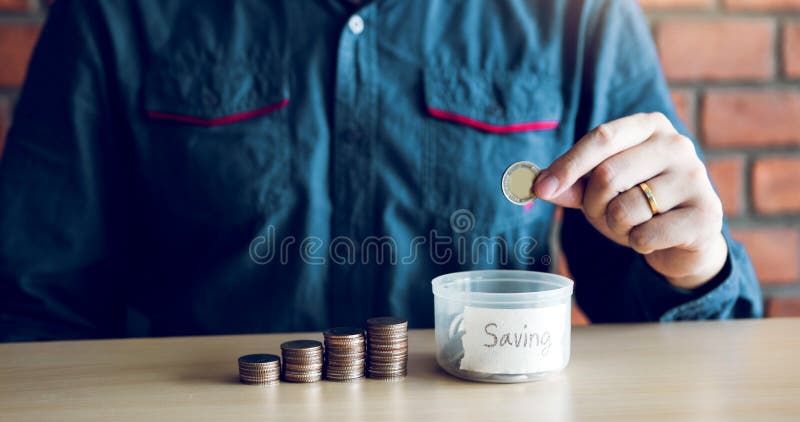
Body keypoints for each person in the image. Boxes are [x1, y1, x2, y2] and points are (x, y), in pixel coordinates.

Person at [0, 0, 762, 342]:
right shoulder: (114, 11)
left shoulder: (578, 12)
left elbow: (653, 318)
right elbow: (35, 305)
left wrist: (694, 268)